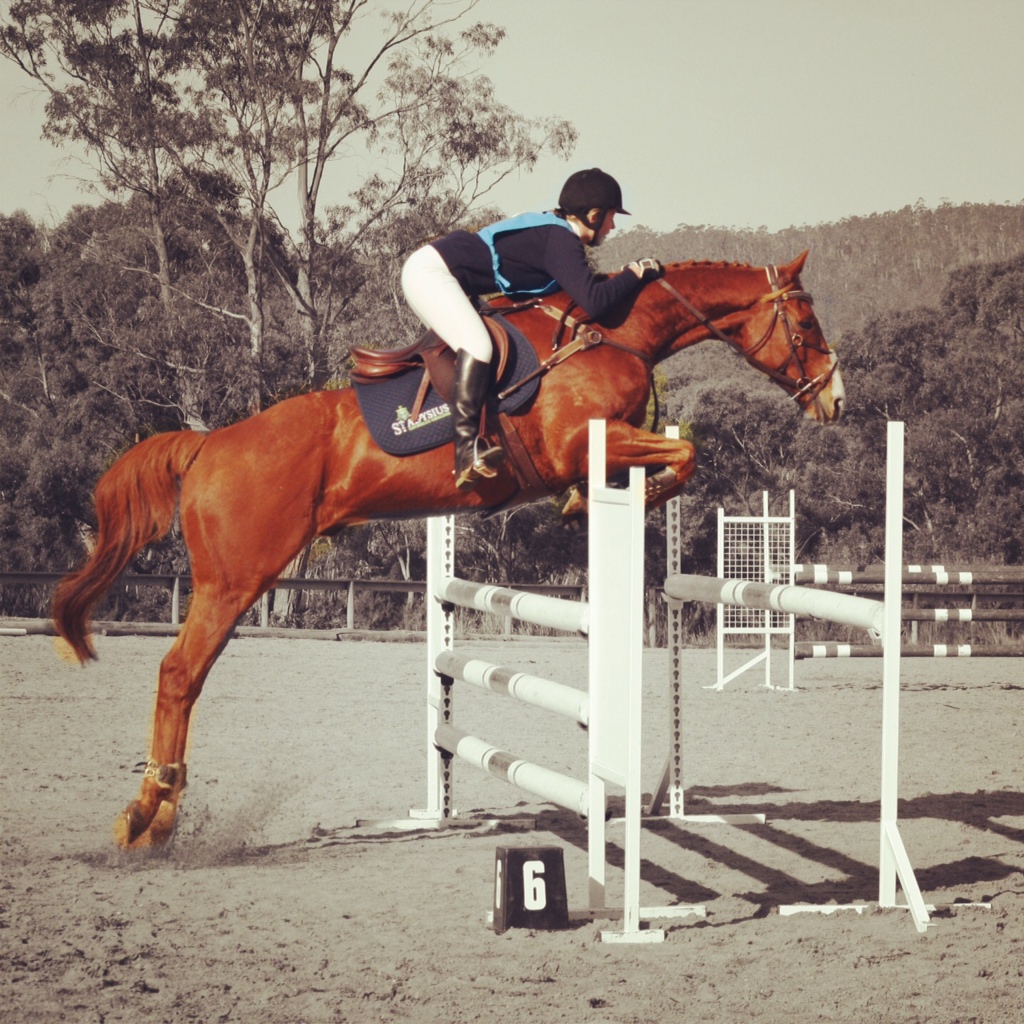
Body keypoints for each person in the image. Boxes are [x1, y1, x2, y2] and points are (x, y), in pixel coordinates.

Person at [401, 167, 664, 489]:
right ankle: (466, 453)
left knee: (484, 345)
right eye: (611, 216)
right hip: (432, 274)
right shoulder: (560, 239)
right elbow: (595, 302)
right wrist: (634, 273)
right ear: (594, 215)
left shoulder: (553, 233)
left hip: (442, 275)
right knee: (478, 345)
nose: (613, 226)